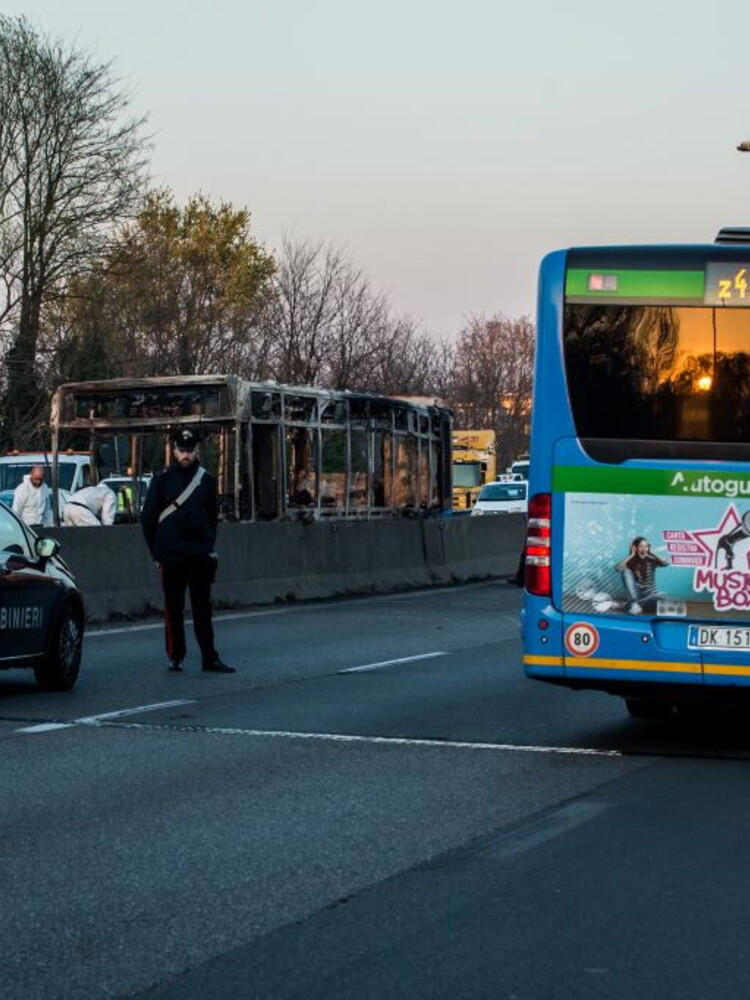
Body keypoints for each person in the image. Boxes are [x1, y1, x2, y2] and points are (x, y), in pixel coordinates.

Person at [141, 427, 234, 674]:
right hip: (171, 554)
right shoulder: (162, 480)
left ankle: (209, 658)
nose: (185, 454)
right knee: (173, 608)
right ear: (174, 451)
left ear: (197, 451)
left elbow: (211, 518)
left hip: (198, 554)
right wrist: (157, 553)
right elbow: (148, 518)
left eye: (190, 450)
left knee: (202, 608)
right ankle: (175, 656)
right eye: (181, 450)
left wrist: (208, 545)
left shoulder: (206, 481)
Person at [615, 536, 668, 614]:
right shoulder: (631, 562)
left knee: (662, 595)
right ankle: (634, 603)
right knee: (626, 571)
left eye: (646, 546)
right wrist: (631, 555)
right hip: (637, 595)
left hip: (650, 596)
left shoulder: (651, 560)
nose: (644, 549)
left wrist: (651, 552)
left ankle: (633, 604)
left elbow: (665, 563)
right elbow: (617, 568)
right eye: (641, 546)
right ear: (635, 548)